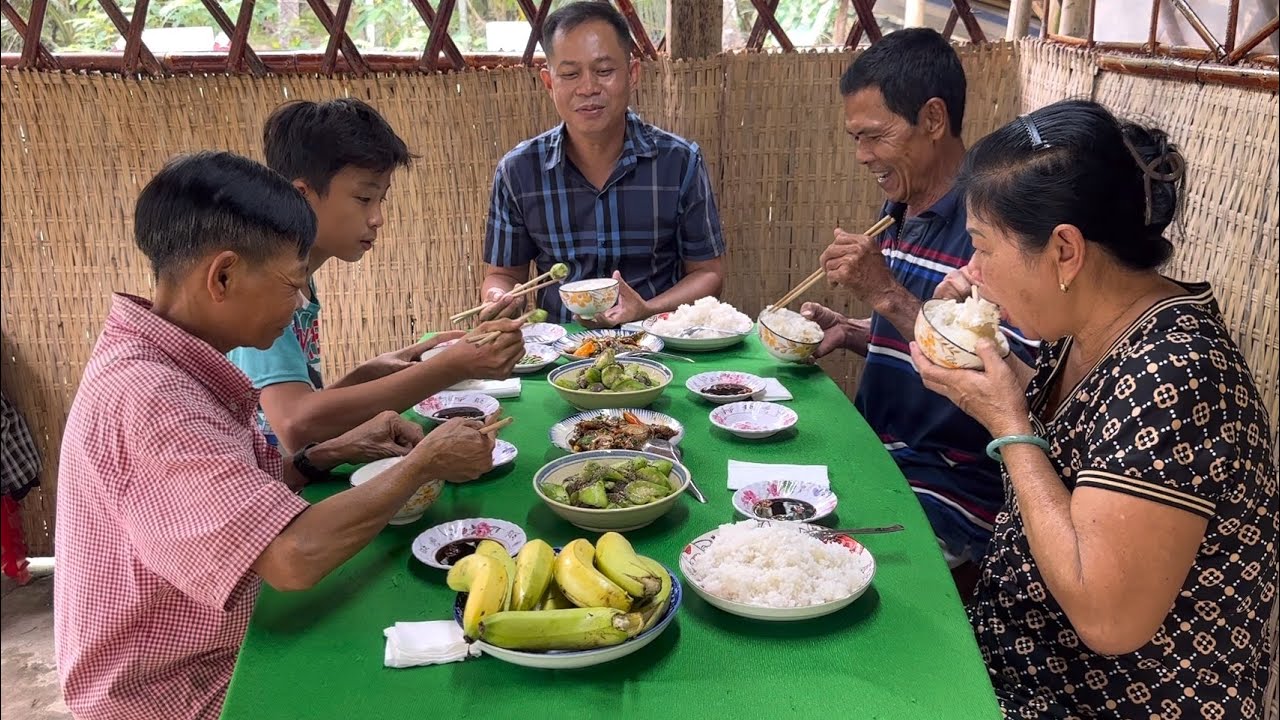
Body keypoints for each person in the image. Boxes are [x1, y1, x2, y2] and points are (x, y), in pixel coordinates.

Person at [54, 152, 499, 720]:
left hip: (204, 653)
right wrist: (424, 463)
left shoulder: (167, 358)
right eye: (292, 285)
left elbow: (236, 495)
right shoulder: (153, 400)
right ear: (223, 276)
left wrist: (330, 455)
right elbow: (292, 557)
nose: (297, 305)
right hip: (178, 691)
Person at [912, 100, 1276, 718]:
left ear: (1065, 251)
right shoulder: (1093, 329)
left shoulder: (1181, 373)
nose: (968, 272)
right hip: (1018, 666)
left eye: (981, 248)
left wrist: (1007, 423)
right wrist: (983, 374)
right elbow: (1084, 434)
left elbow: (1109, 619)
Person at [801, 28, 1034, 584]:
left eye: (874, 137)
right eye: (854, 138)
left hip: (952, 488)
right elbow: (925, 335)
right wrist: (859, 330)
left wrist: (885, 293)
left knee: (806, 569)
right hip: (880, 453)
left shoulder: (994, 228)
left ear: (933, 119)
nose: (861, 156)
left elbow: (1003, 372)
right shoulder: (901, 205)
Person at [229, 98, 524, 452]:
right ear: (302, 196)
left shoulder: (299, 275)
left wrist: (371, 372)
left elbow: (298, 401)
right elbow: (295, 424)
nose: (377, 218)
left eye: (381, 200)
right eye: (364, 198)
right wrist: (448, 368)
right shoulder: (266, 283)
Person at [478, 0, 726, 328]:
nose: (588, 87)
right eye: (569, 74)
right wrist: (499, 297)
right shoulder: (518, 171)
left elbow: (709, 273)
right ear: (549, 82)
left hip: (658, 342)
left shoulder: (679, 162)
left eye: (604, 71)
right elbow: (503, 275)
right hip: (560, 350)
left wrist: (647, 308)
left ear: (632, 74)